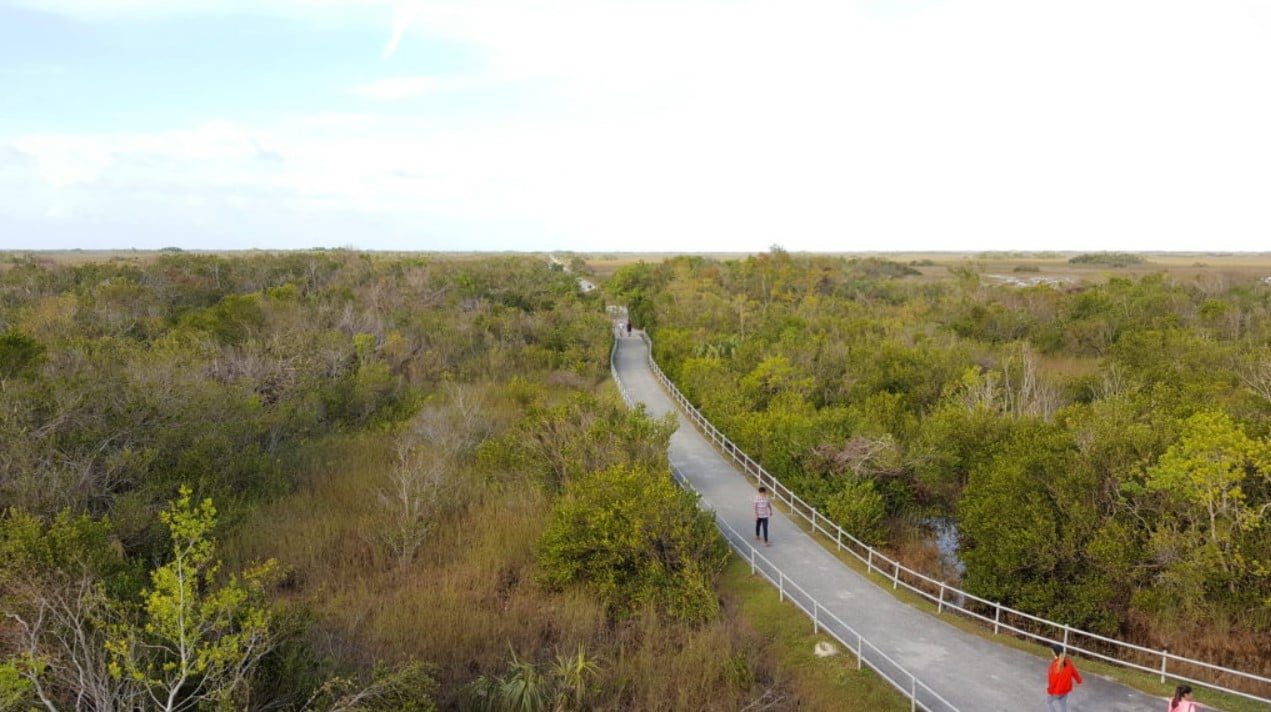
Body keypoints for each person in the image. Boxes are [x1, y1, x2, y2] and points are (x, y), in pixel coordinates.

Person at [1046, 644, 1083, 712]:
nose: (1051, 651)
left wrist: (1050, 691)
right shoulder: (1068, 662)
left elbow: (1052, 681)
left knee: (1048, 702)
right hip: (1066, 690)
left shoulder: (1054, 667)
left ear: (1054, 653)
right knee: (1063, 704)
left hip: (1057, 691)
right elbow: (1074, 672)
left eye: (1052, 650)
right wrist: (1079, 680)